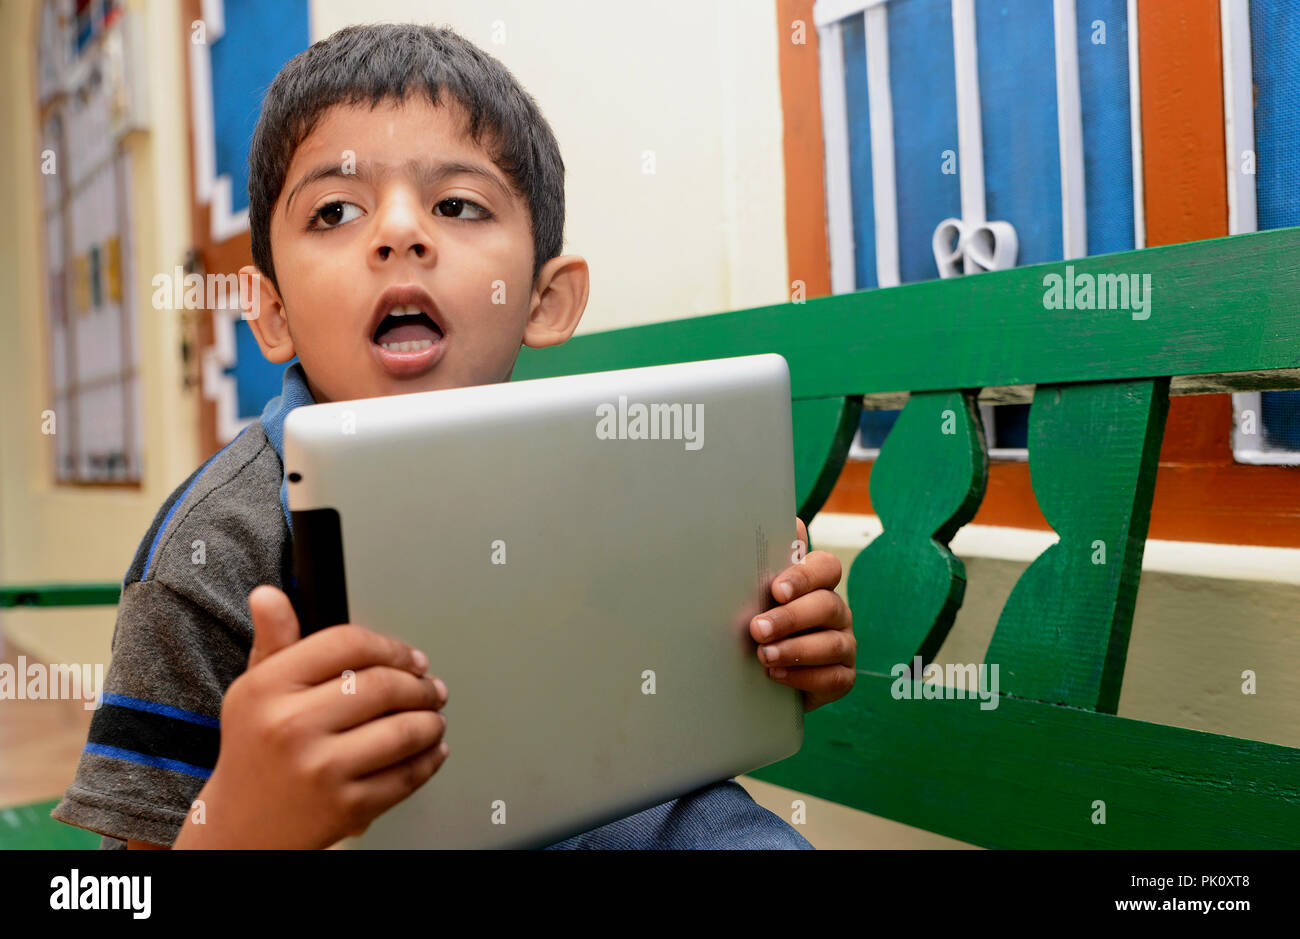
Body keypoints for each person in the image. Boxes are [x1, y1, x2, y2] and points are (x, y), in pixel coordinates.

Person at [51, 22, 856, 850]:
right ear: (274, 311)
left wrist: (784, 646)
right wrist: (248, 822)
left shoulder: (614, 464)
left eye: (457, 205)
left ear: (545, 301)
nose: (400, 234)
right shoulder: (208, 554)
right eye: (335, 210)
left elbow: (674, 692)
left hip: (611, 806)